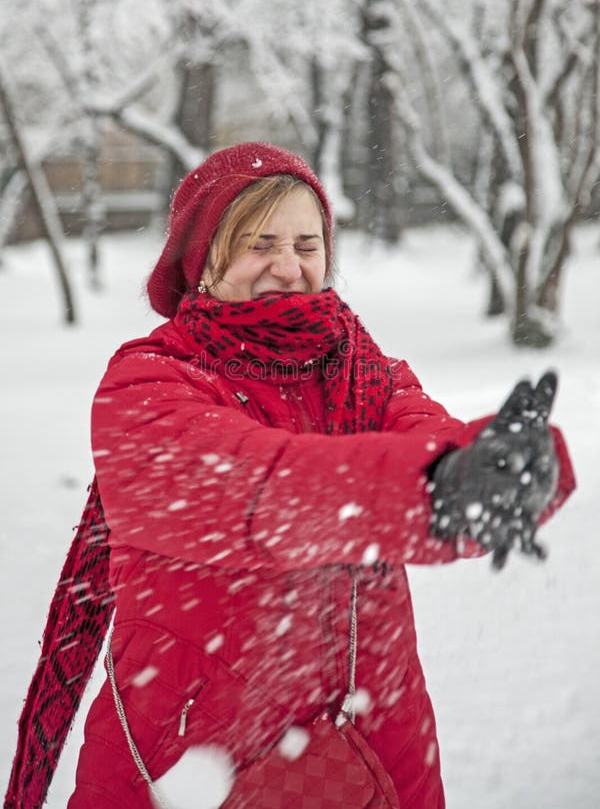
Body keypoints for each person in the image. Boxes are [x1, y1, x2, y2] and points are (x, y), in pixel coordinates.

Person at [5, 142, 575, 808]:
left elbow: (430, 438)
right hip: (191, 763)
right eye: (260, 242)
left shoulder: (365, 369)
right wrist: (437, 490)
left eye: (308, 244)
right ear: (204, 257)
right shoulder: (147, 385)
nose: (288, 265)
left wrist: (511, 468)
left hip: (373, 748)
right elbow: (265, 488)